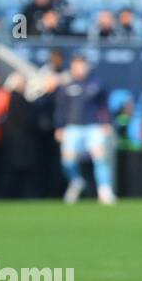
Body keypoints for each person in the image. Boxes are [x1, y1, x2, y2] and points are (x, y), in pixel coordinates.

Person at [56, 54, 117, 205]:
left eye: (83, 65)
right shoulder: (67, 85)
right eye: (77, 66)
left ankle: (104, 190)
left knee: (100, 157)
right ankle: (76, 182)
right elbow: (61, 109)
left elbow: (105, 106)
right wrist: (59, 127)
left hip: (93, 126)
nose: (80, 69)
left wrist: (107, 123)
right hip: (73, 127)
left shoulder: (97, 84)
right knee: (67, 161)